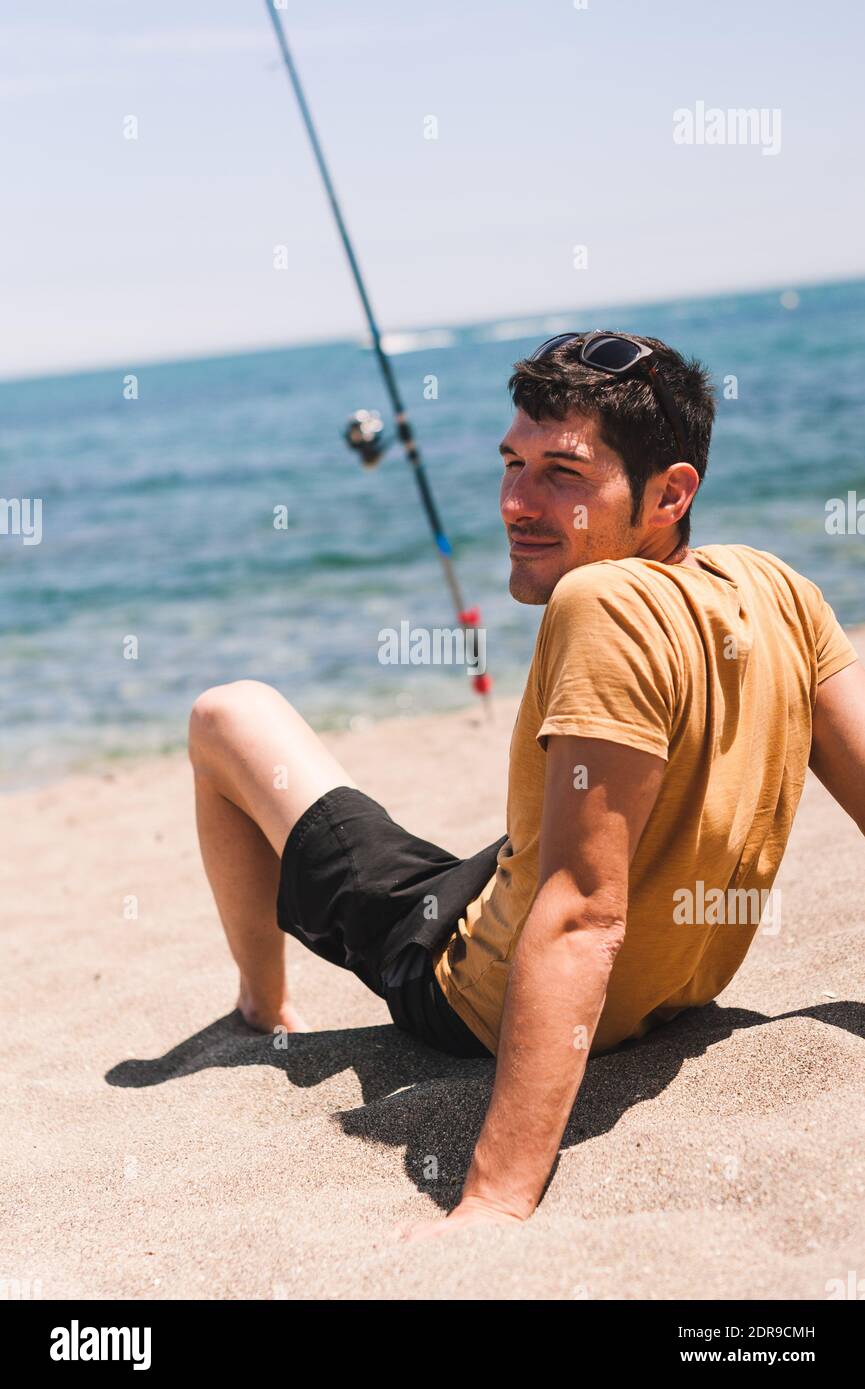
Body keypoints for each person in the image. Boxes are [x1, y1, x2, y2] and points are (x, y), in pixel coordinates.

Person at [187, 331, 865, 1240]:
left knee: (225, 715)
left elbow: (585, 911)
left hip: (465, 980)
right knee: (497, 855)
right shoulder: (779, 589)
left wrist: (498, 1197)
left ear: (669, 493)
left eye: (561, 473)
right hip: (567, 920)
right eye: (511, 463)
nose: (515, 501)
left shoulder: (601, 603)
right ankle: (267, 1001)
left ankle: (261, 1008)